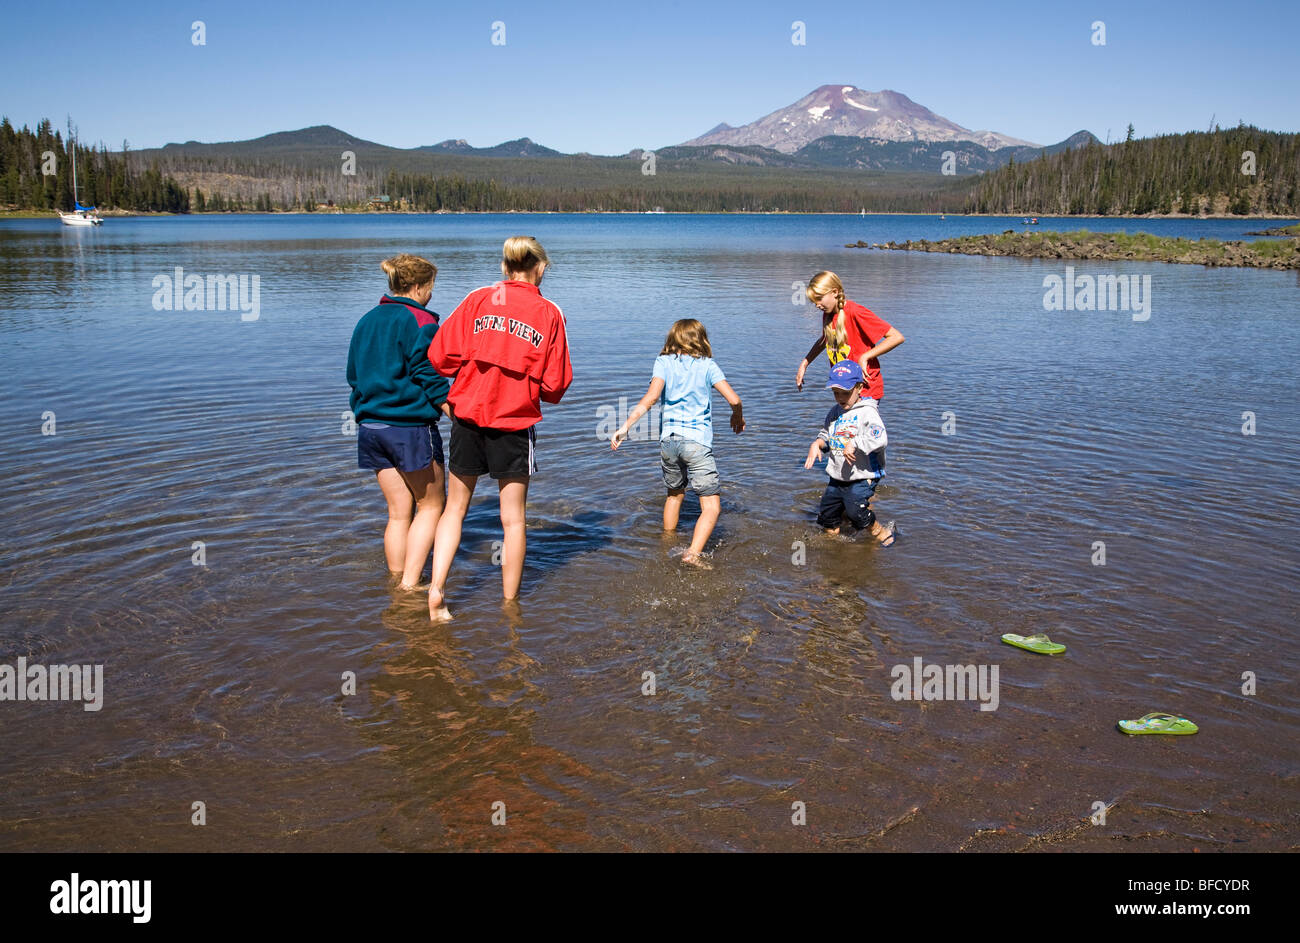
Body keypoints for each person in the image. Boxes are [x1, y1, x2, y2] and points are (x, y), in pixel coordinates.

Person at [425, 236, 573, 621]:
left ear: (506, 267)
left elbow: (439, 356)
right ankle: (510, 610)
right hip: (513, 422)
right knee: (513, 520)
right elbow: (555, 387)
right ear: (540, 268)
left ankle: (437, 589)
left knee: (454, 510)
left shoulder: (477, 298)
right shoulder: (549, 313)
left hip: (467, 417)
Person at [346, 254, 451, 589]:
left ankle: (396, 582)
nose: (431, 296)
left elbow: (354, 376)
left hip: (371, 428)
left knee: (398, 511)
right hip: (409, 428)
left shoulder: (366, 320)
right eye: (430, 288)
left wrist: (365, 411)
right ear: (418, 287)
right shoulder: (420, 321)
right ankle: (410, 585)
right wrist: (454, 412)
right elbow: (427, 375)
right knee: (432, 505)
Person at [611, 319, 744, 568]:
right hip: (697, 442)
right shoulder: (707, 365)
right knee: (712, 507)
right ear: (701, 339)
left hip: (669, 442)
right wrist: (737, 416)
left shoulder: (663, 362)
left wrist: (626, 427)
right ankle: (693, 553)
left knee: (674, 495)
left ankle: (666, 542)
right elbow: (734, 399)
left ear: (672, 339)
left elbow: (651, 397)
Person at [804, 360, 897, 545]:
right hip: (838, 475)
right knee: (828, 511)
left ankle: (881, 532)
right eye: (836, 393)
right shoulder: (834, 412)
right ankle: (832, 537)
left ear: (860, 387)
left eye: (845, 393)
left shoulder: (868, 413)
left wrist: (854, 443)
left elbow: (880, 438)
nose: (840, 398)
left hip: (863, 474)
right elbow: (827, 432)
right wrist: (818, 443)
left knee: (856, 510)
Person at [795, 270, 904, 402]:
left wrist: (865, 356)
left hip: (865, 390)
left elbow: (896, 337)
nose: (817, 305)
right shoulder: (828, 314)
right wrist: (805, 363)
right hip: (845, 389)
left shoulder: (854, 312)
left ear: (834, 292)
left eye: (819, 299)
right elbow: (825, 340)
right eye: (814, 301)